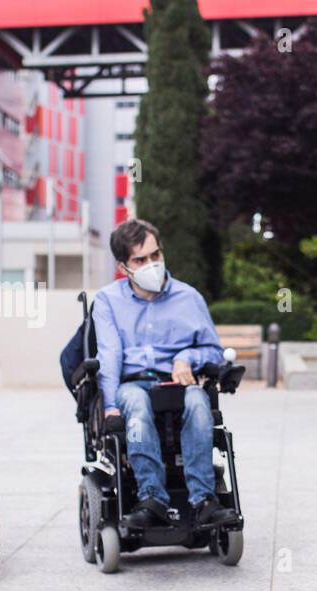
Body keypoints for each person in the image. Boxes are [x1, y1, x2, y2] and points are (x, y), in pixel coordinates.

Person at [91, 218, 227, 530]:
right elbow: (109, 355)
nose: (151, 264)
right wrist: (110, 406)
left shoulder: (189, 297)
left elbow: (213, 350)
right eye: (140, 260)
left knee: (197, 403)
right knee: (137, 408)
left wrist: (186, 357)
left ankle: (203, 500)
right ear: (124, 266)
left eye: (156, 255)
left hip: (177, 380)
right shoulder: (108, 300)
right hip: (133, 383)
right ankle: (152, 497)